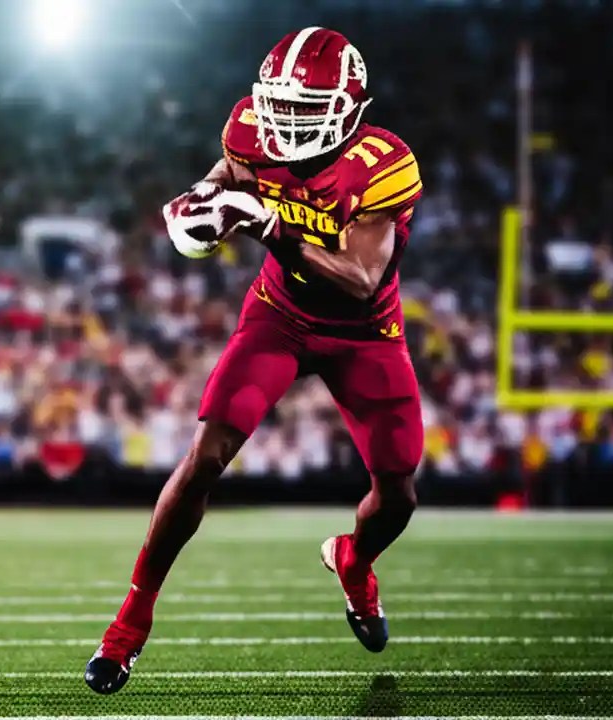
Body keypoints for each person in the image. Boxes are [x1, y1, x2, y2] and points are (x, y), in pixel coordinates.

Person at [84, 26, 424, 694]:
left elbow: (358, 279)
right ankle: (129, 623)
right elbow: (225, 180)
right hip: (279, 316)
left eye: (307, 110)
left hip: (365, 332)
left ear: (351, 109)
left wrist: (267, 224)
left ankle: (354, 562)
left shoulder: (384, 163)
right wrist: (200, 204)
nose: (287, 124)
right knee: (204, 455)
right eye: (281, 107)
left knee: (398, 490)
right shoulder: (246, 129)